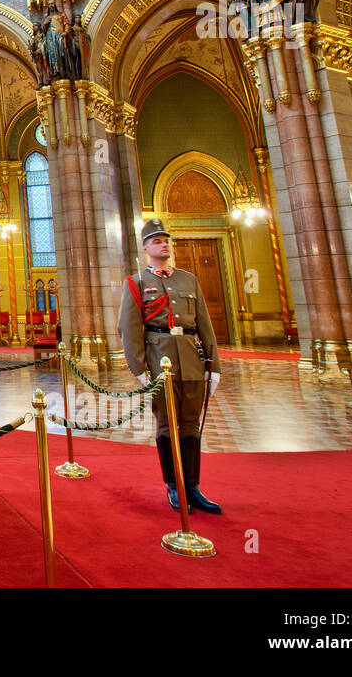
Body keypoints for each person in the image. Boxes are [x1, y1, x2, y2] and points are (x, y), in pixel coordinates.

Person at [117, 218, 222, 515]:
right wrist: (138, 368)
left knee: (190, 425)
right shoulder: (137, 283)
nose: (164, 244)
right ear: (146, 247)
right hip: (159, 360)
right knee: (167, 425)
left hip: (190, 359)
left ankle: (193, 486)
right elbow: (130, 327)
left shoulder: (189, 280)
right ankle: (174, 485)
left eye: (166, 240)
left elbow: (204, 325)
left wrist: (214, 367)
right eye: (157, 240)